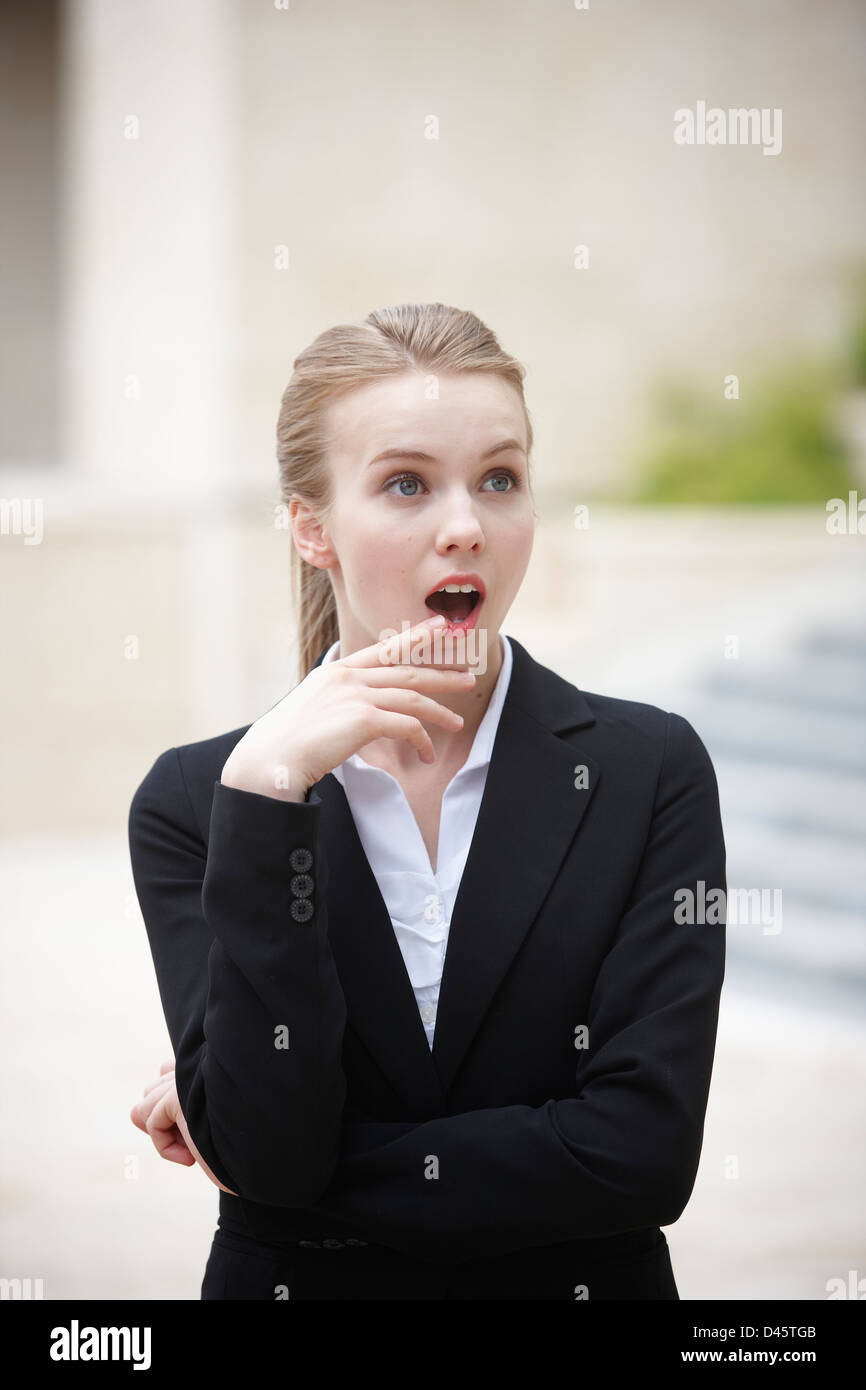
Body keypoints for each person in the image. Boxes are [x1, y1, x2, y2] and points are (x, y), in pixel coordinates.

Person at [128, 302, 726, 1300]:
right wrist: (269, 801)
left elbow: (640, 1154)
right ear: (311, 529)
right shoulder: (202, 798)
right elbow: (272, 1145)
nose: (465, 526)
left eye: (499, 478)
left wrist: (286, 1177)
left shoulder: (645, 768)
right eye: (406, 483)